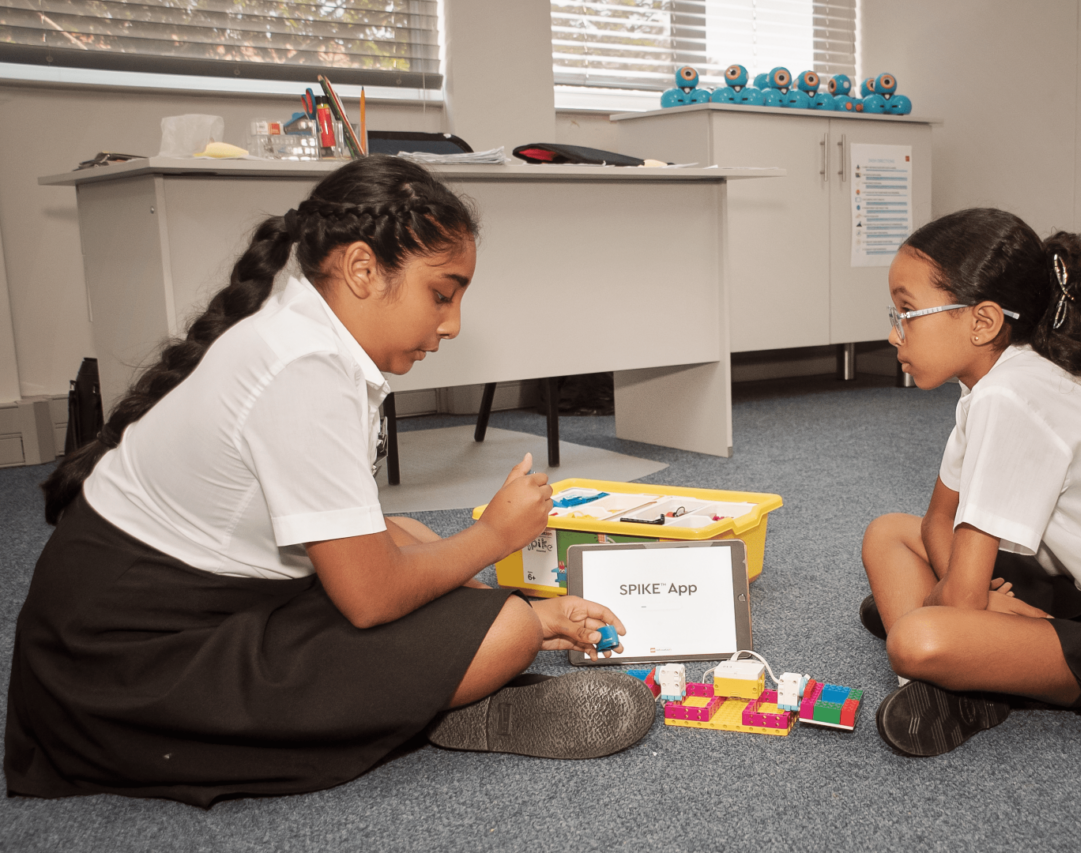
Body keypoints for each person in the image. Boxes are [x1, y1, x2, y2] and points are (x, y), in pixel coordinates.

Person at [5, 156, 655, 807]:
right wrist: (494, 539)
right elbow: (370, 596)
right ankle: (436, 703)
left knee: (417, 539)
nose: (453, 322)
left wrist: (485, 594)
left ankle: (438, 683)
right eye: (442, 292)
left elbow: (368, 541)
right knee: (502, 628)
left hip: (189, 604)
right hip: (123, 661)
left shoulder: (309, 339)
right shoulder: (303, 369)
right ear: (363, 268)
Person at [861, 208, 1081, 757]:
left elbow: (962, 589)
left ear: (982, 322)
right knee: (889, 533)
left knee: (915, 637)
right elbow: (936, 521)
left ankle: (952, 672)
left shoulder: (1012, 398)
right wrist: (966, 601)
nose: (892, 333)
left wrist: (947, 604)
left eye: (907, 312)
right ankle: (965, 668)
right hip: (1077, 587)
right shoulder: (989, 382)